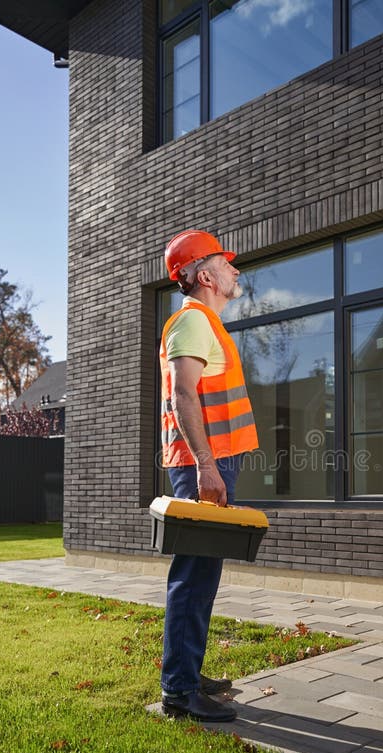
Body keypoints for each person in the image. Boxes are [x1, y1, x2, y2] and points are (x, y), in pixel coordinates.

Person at [158, 229, 259, 722]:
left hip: (212, 461)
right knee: (194, 575)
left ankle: (188, 673)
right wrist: (205, 464)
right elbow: (183, 395)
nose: (234, 269)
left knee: (203, 574)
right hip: (203, 463)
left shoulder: (206, 324)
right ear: (205, 276)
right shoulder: (193, 321)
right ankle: (179, 691)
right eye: (225, 262)